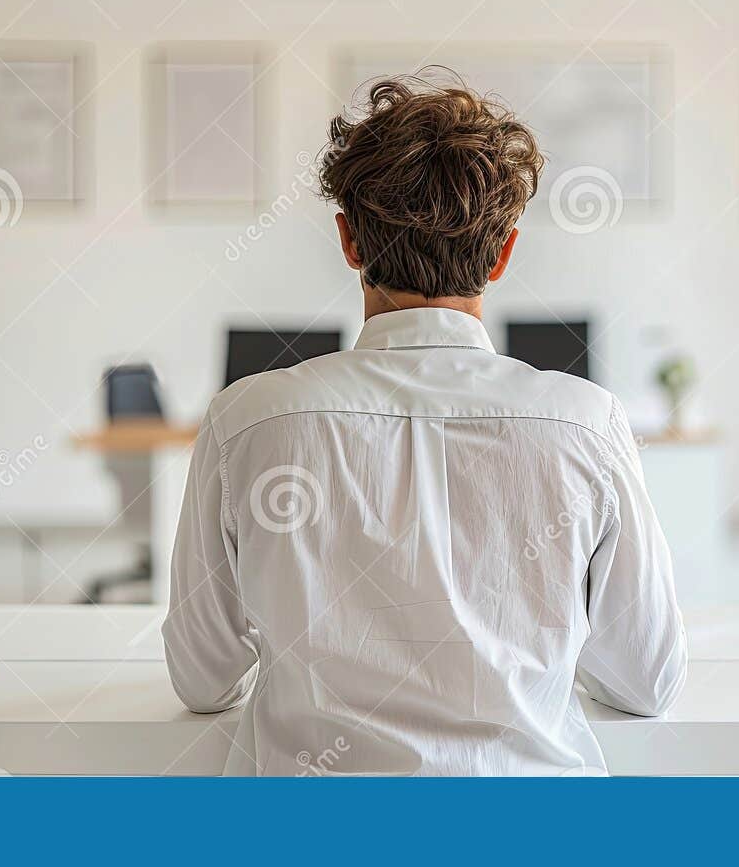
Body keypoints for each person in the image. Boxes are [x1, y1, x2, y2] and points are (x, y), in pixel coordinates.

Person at [161, 73, 686, 776]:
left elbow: (202, 680)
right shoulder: (586, 422)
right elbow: (647, 681)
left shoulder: (247, 419)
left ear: (348, 241)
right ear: (503, 253)